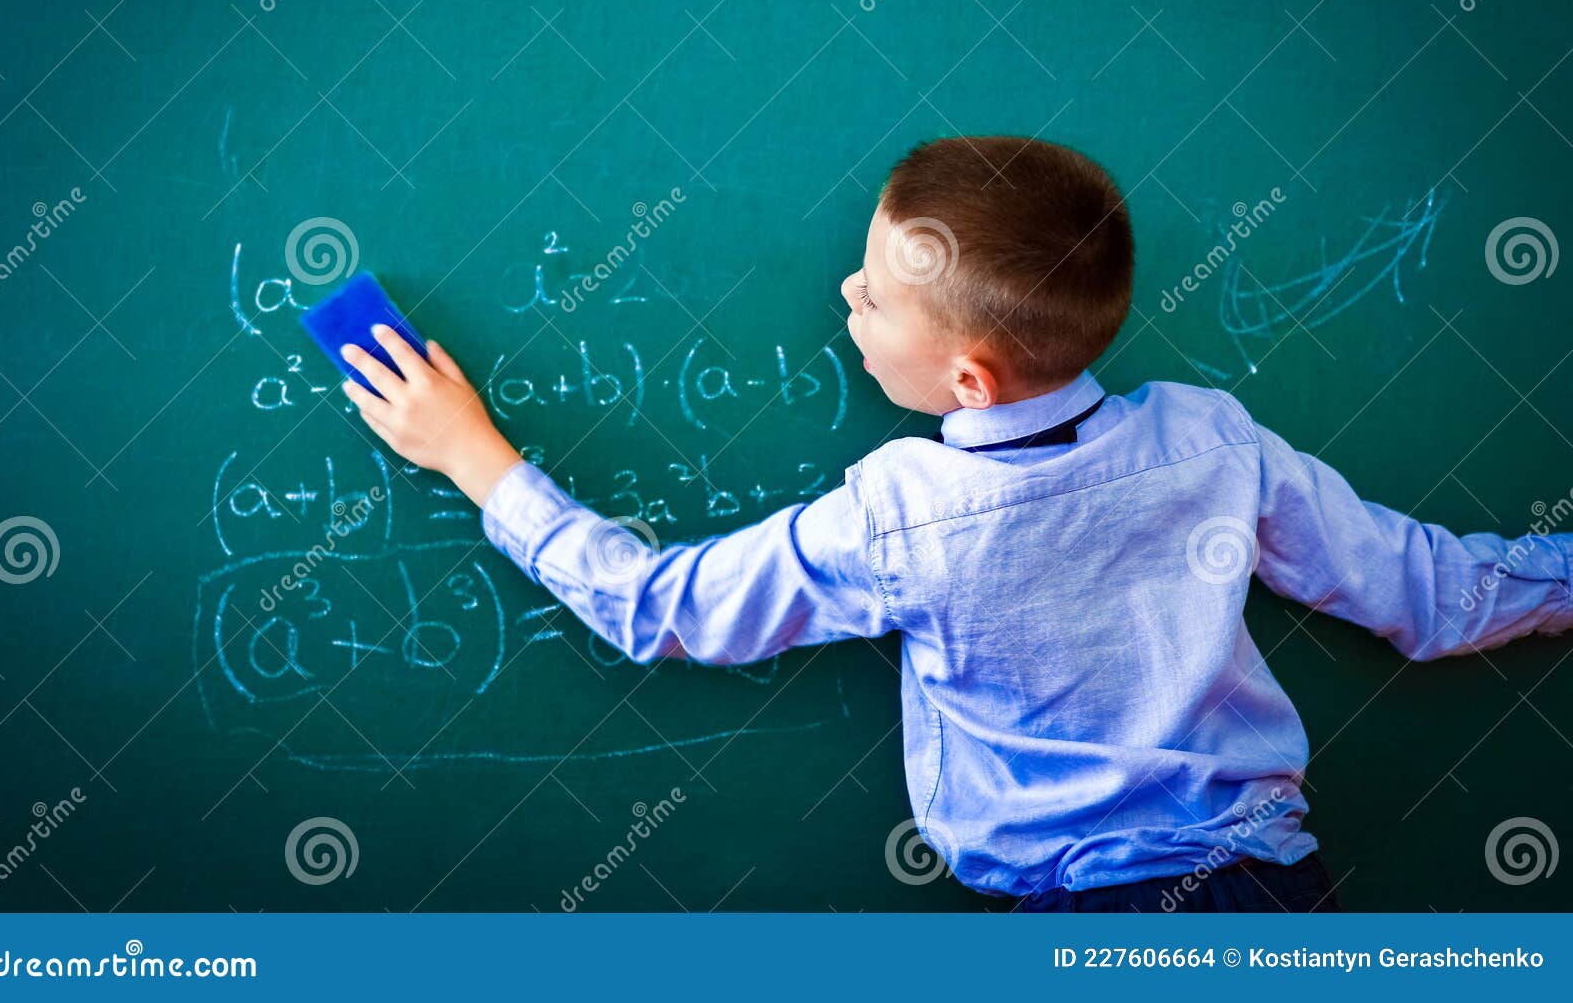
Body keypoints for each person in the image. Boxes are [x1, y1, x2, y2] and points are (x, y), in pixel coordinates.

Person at [339, 136, 1573, 911]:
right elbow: (1435, 596)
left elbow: (668, 611)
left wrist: (477, 458)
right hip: (1270, 891)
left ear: (970, 378)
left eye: (871, 294)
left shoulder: (901, 514)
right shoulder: (1212, 442)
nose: (845, 295)